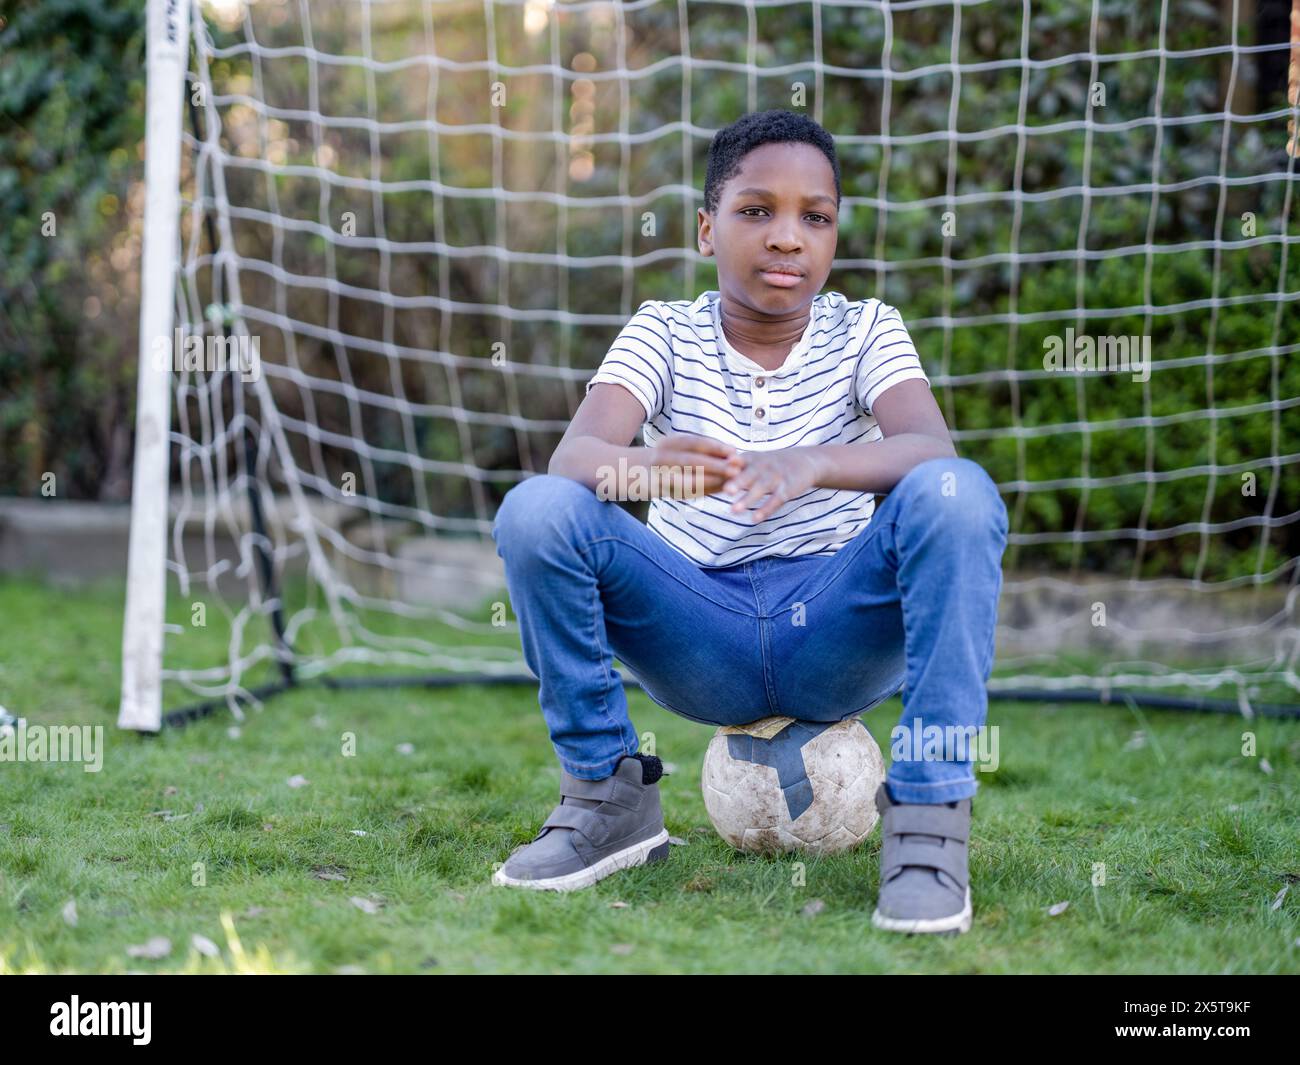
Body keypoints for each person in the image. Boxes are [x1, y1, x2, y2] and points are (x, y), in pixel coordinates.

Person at [490, 109, 1008, 936]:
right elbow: (574, 461)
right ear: (706, 228)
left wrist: (815, 461)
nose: (787, 238)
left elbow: (930, 449)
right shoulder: (664, 330)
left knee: (960, 494)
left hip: (835, 633)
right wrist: (650, 467)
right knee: (537, 513)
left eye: (815, 216)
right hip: (701, 633)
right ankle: (607, 796)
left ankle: (927, 819)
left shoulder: (866, 328)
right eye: (756, 210)